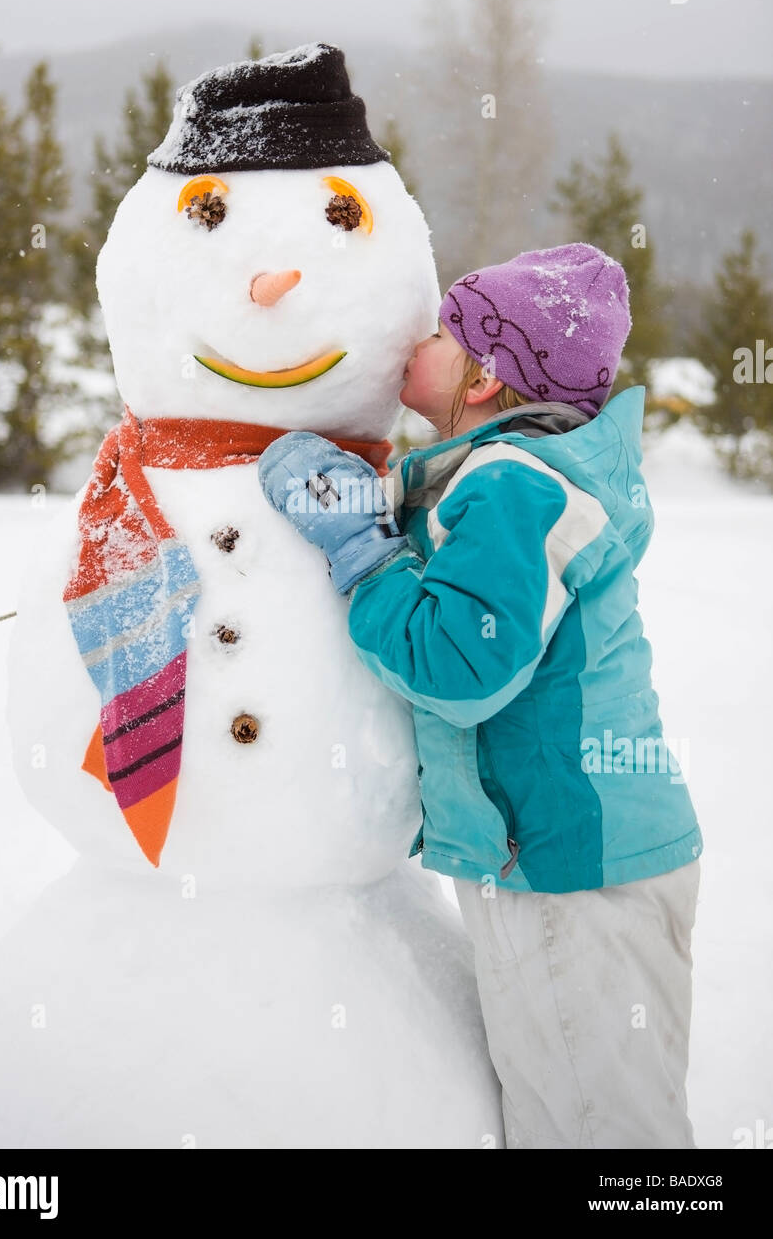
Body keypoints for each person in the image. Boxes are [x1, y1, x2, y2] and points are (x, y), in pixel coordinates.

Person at [258, 243, 703, 1150]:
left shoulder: (514, 485)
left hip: (569, 871)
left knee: (599, 1136)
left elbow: (462, 668)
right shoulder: (515, 477)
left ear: (486, 376)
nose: (411, 345)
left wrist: (363, 549)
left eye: (436, 334)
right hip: (581, 855)